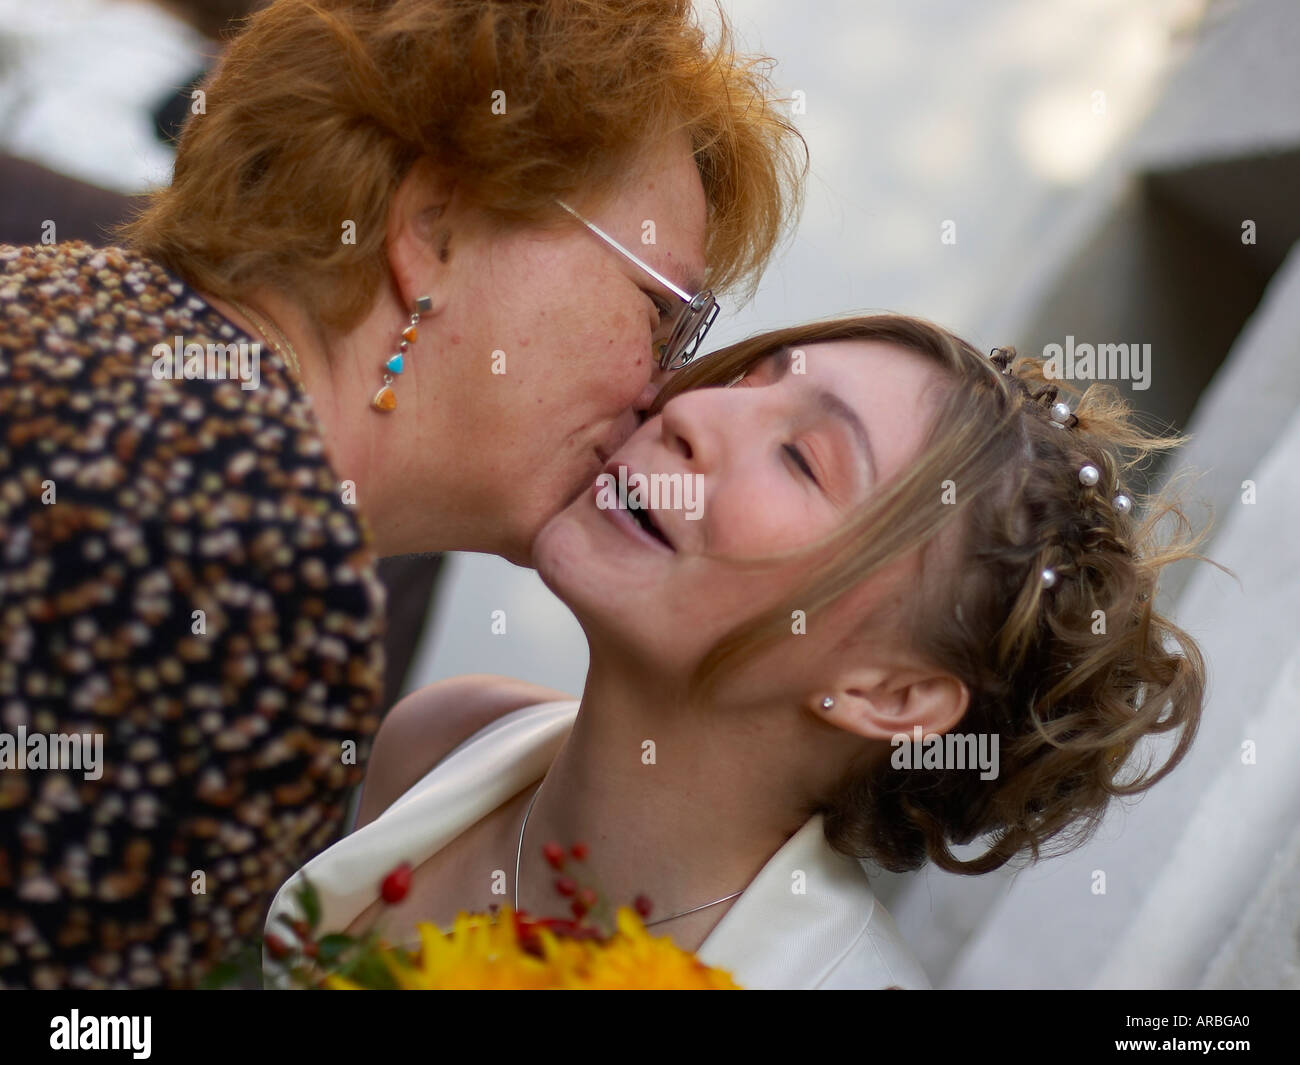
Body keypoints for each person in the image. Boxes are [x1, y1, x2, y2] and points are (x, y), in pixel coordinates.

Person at [0, 0, 803, 988]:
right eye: (664, 316)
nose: (661, 391)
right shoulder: (267, 578)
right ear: (436, 228)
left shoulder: (62, 286)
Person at [267, 314, 1209, 989]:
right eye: (750, 379)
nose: (692, 412)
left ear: (890, 692)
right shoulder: (444, 739)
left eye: (803, 458)